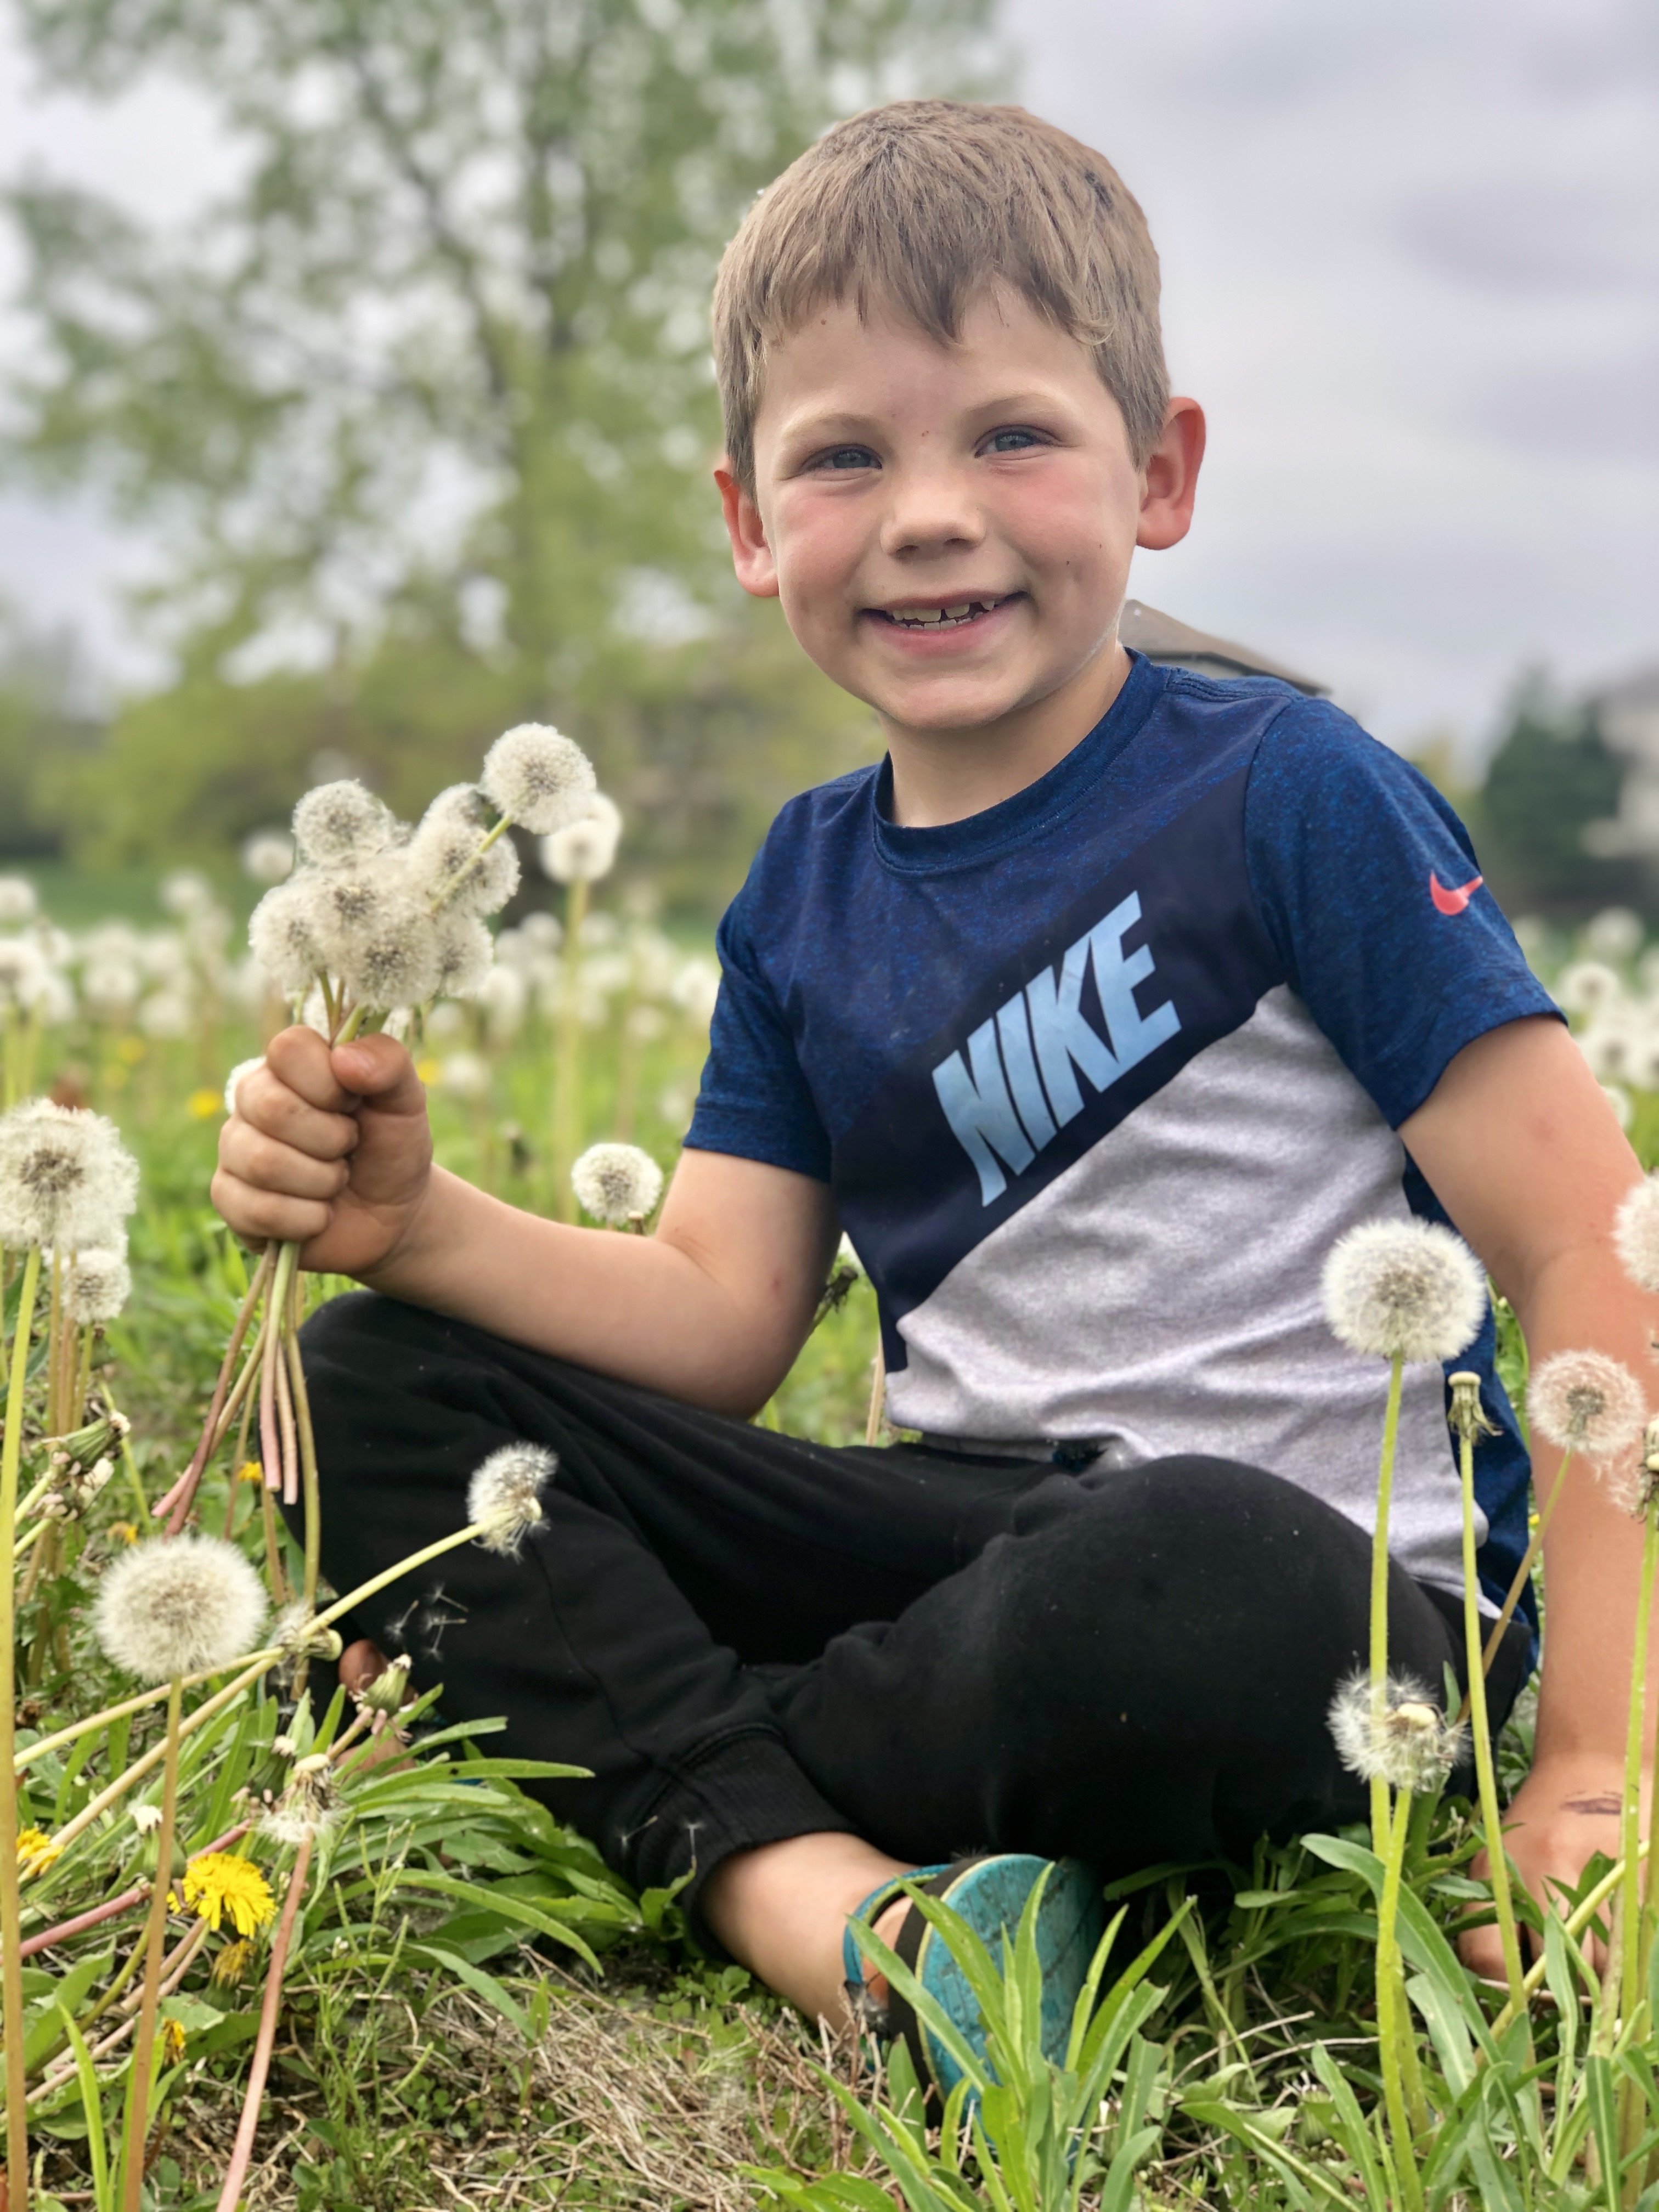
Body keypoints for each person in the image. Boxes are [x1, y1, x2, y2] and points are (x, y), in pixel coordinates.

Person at [211, 100, 1655, 2084]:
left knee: (1178, 1579)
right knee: (376, 1390)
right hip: (962, 1548)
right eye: (843, 457)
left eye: (1010, 435)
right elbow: (719, 1323)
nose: (927, 512)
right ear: (747, 522)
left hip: (1330, 1608)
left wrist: (1590, 1758)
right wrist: (419, 1228)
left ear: (1160, 475)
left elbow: (1594, 1251)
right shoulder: (800, 893)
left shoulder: (1284, 793)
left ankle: (638, 1748)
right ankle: (827, 1906)